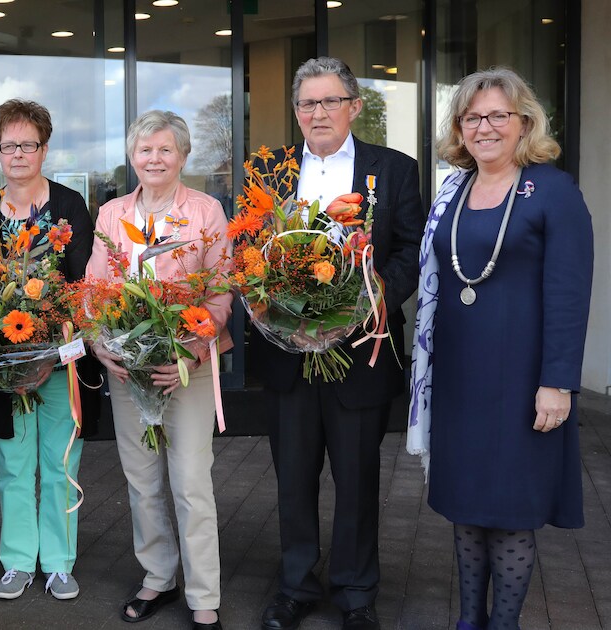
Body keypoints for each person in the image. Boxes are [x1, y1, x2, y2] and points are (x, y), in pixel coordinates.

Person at [406, 68, 593, 630]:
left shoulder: (553, 191)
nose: (483, 128)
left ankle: (503, 624)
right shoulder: (454, 189)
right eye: (471, 118)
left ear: (524, 122)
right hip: (461, 377)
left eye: (496, 116)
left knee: (510, 510)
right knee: (468, 506)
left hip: (523, 379)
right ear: (459, 129)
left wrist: (558, 383)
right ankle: (469, 621)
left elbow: (569, 294)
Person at [253, 57, 425, 630]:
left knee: (356, 480)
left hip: (360, 352)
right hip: (286, 353)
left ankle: (355, 592)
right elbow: (249, 254)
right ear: (297, 111)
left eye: (330, 101)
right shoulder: (269, 171)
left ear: (354, 106)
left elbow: (408, 251)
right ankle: (296, 586)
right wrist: (271, 301)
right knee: (293, 477)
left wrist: (366, 300)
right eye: (307, 103)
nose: (318, 112)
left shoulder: (394, 170)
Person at [85, 110, 233, 630]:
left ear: (184, 156)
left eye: (165, 149)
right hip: (127, 373)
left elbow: (219, 294)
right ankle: (157, 575)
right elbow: (94, 293)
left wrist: (189, 357)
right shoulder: (111, 215)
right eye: (145, 150)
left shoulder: (206, 211)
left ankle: (203, 592)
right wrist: (100, 346)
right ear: (132, 157)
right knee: (142, 479)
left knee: (191, 482)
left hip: (183, 370)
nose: (154, 158)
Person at [0, 99, 100, 601]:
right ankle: (19, 560)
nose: (18, 154)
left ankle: (60, 561)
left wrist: (51, 348)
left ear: (44, 149)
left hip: (61, 359)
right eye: (9, 145)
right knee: (14, 465)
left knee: (62, 462)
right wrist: (2, 349)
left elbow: (83, 282)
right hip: (5, 362)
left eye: (28, 144)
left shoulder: (68, 205)